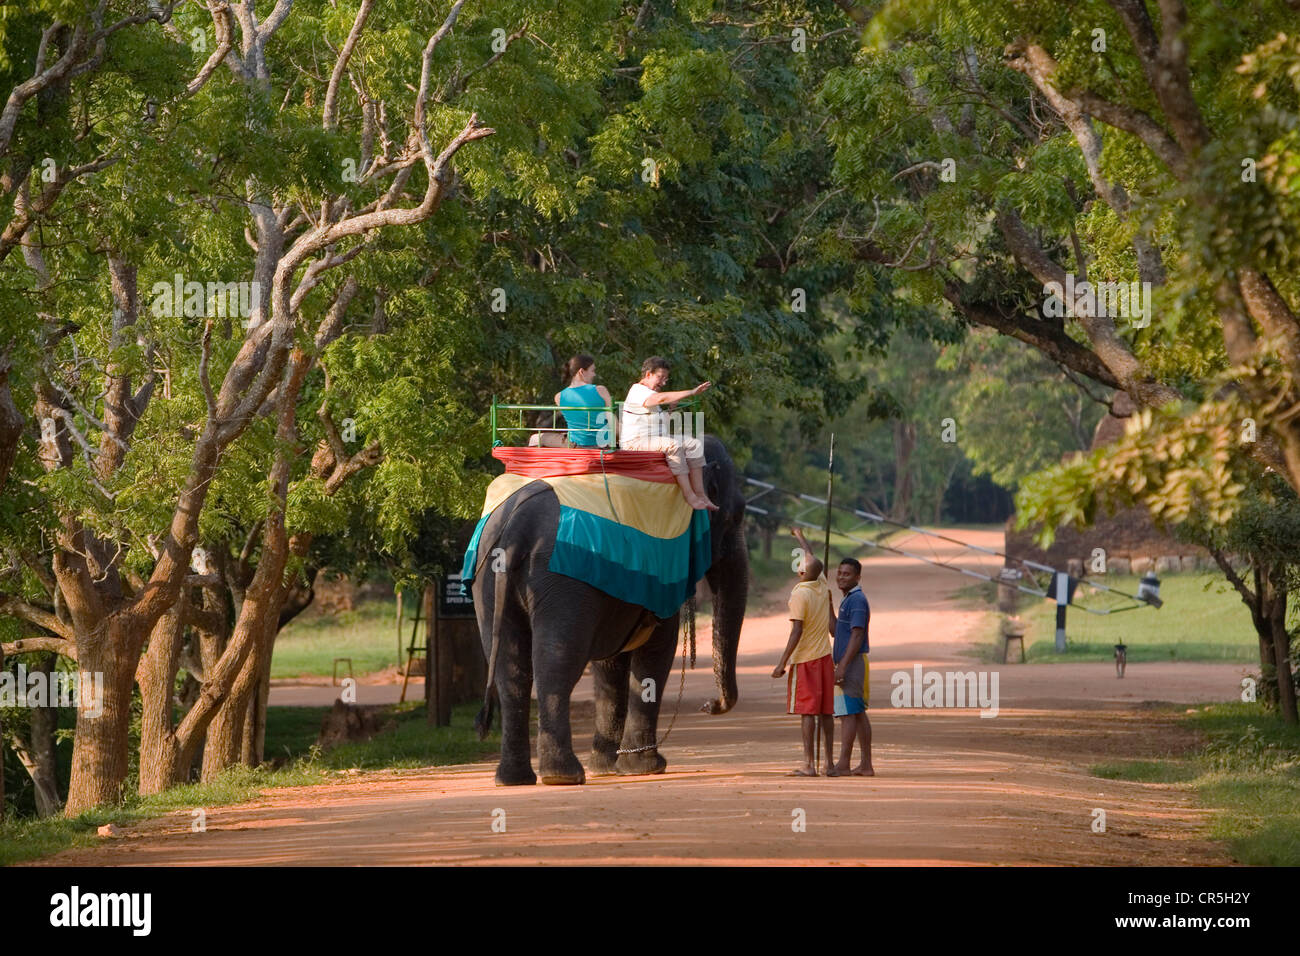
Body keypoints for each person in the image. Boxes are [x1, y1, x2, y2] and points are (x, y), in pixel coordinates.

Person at [772, 527, 835, 776]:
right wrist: (799, 537)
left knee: (808, 712)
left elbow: (796, 631)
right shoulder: (822, 585)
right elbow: (813, 559)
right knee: (826, 712)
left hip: (806, 660)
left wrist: (781, 663)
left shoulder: (800, 594)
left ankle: (809, 764)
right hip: (825, 658)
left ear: (800, 572)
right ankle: (829, 764)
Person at [619, 356, 717, 510]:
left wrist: (671, 409)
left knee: (694, 444)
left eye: (665, 378)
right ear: (648, 374)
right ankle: (688, 494)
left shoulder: (649, 394)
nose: (663, 382)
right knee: (672, 445)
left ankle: (700, 493)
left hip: (654, 438)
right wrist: (691, 392)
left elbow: (660, 422)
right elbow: (661, 398)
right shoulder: (638, 391)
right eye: (660, 377)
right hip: (635, 442)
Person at [829, 555, 873, 776]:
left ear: (857, 577)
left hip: (853, 663)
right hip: (848, 661)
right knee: (857, 713)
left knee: (848, 713)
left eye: (847, 574)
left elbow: (857, 636)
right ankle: (866, 764)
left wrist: (843, 666)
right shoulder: (847, 599)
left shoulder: (857, 600)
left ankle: (844, 763)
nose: (841, 577)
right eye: (839, 573)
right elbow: (836, 632)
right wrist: (828, 607)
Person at [529, 354, 612, 448]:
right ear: (581, 372)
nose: (594, 374)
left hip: (575, 445)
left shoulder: (559, 397)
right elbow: (613, 424)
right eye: (592, 370)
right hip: (602, 444)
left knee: (535, 438)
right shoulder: (601, 390)